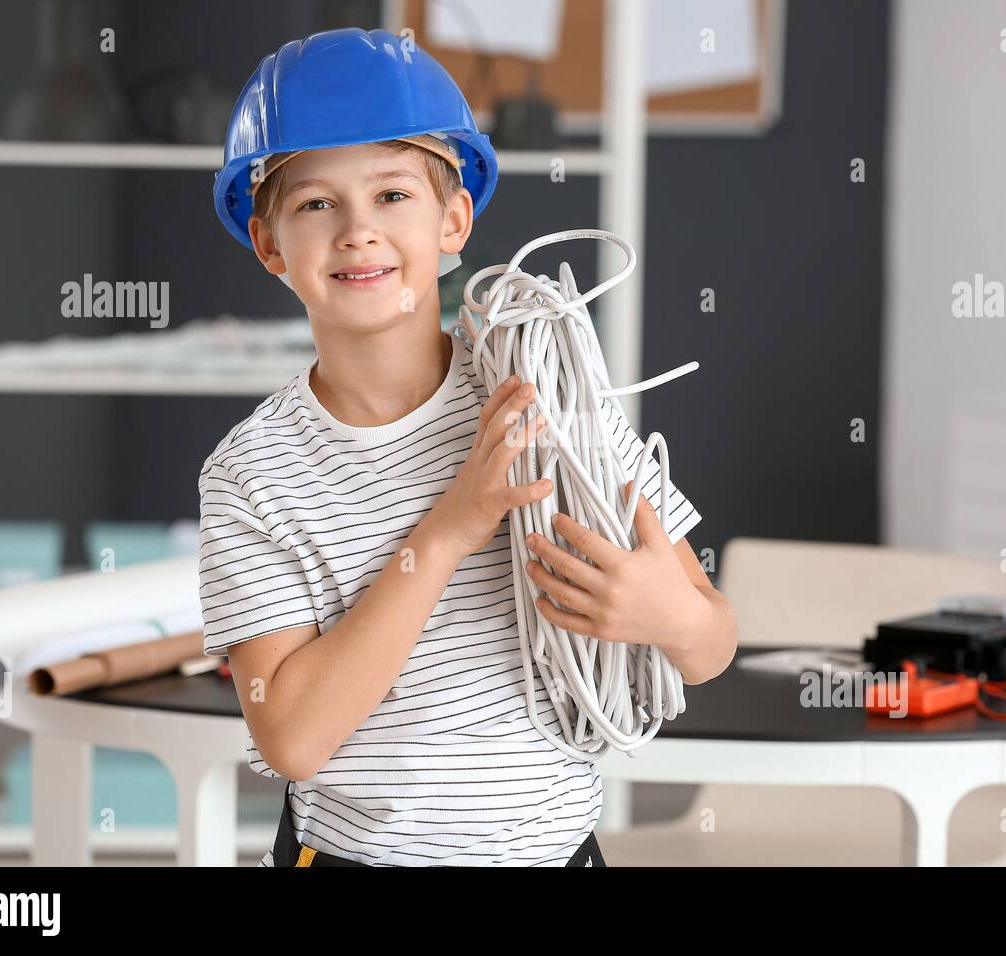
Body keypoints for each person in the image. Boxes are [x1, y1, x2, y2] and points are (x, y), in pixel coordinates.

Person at [201, 27, 737, 867]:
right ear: (270, 245)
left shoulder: (545, 400)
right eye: (315, 203)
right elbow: (294, 741)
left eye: (392, 195)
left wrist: (666, 615)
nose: (357, 232)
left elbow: (711, 645)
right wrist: (451, 529)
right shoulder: (253, 473)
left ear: (453, 221)